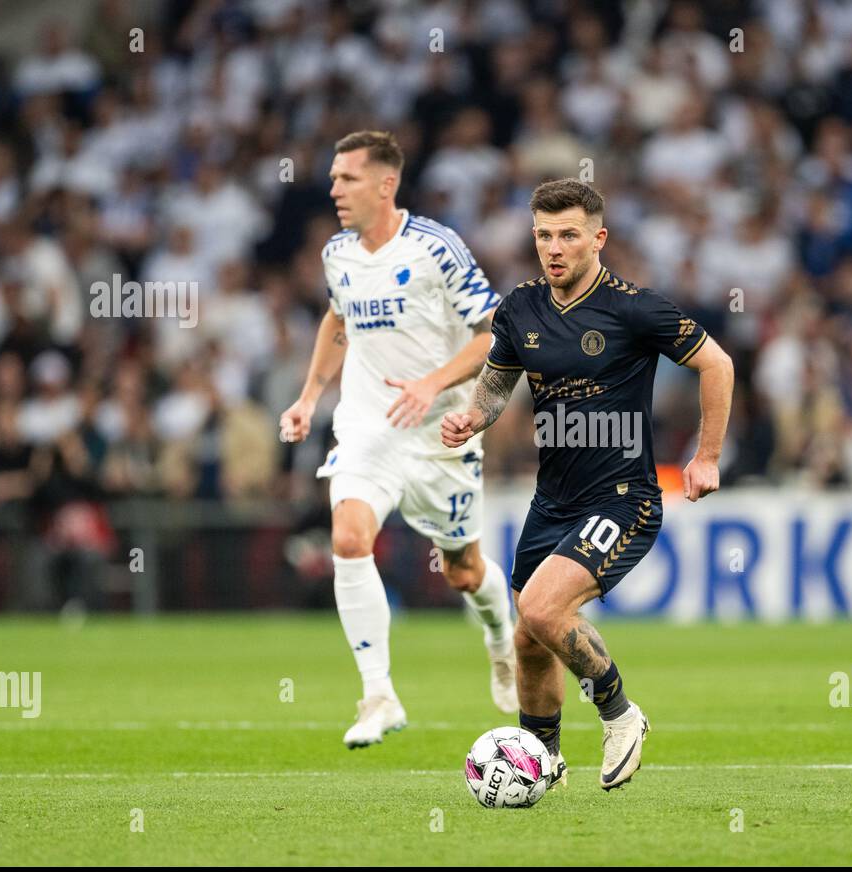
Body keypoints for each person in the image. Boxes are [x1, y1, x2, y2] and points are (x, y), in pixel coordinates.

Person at [442, 179, 735, 790]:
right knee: (527, 638)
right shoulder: (521, 306)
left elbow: (718, 362)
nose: (554, 247)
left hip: (622, 499)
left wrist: (705, 457)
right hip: (553, 501)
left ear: (598, 239)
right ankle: (542, 762)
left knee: (543, 608)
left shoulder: (633, 308)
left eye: (568, 235)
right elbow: (499, 381)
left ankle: (620, 714)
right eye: (544, 235)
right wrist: (476, 414)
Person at [280, 131, 515, 748]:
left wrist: (432, 383)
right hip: (367, 428)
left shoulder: (437, 247)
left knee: (463, 571)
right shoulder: (337, 254)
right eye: (332, 178)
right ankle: (378, 694)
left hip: (440, 433)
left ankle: (500, 638)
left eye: (348, 178)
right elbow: (338, 319)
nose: (334, 190)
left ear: (386, 184)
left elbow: (495, 334)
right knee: (349, 538)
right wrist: (308, 397)